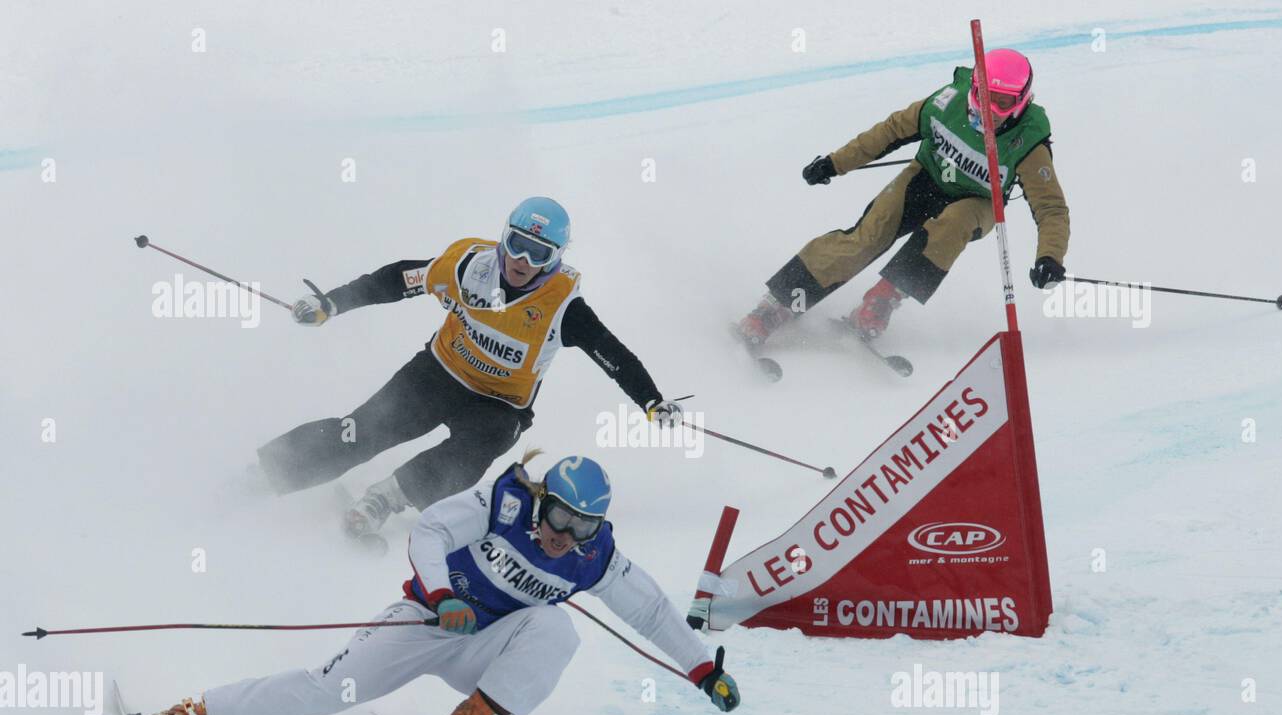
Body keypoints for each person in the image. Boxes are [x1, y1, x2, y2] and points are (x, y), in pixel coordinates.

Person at [138, 453, 740, 715]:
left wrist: (701, 672)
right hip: (425, 620)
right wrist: (441, 595)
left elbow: (654, 610)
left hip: (485, 646)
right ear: (542, 501)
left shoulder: (594, 557)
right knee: (327, 690)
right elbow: (428, 531)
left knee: (557, 628)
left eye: (583, 526)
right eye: (560, 518)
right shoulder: (501, 502)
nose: (566, 536)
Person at [255, 197, 684, 536]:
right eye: (516, 244)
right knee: (362, 432)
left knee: (482, 446)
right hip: (439, 373)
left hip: (499, 405)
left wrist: (651, 400)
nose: (522, 261)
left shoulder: (563, 307)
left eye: (539, 254)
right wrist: (331, 302)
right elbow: (397, 280)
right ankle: (269, 472)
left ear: (557, 258)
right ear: (503, 237)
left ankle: (388, 495)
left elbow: (612, 354)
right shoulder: (467, 264)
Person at [734, 49, 1070, 347]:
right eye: (984, 95)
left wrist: (1050, 257)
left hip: (977, 201)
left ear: (1022, 102)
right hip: (925, 177)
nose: (991, 110)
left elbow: (1051, 208)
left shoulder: (1028, 143)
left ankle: (881, 300)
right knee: (867, 238)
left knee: (952, 225)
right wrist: (835, 163)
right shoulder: (947, 102)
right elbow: (892, 130)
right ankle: (776, 306)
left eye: (1005, 102)